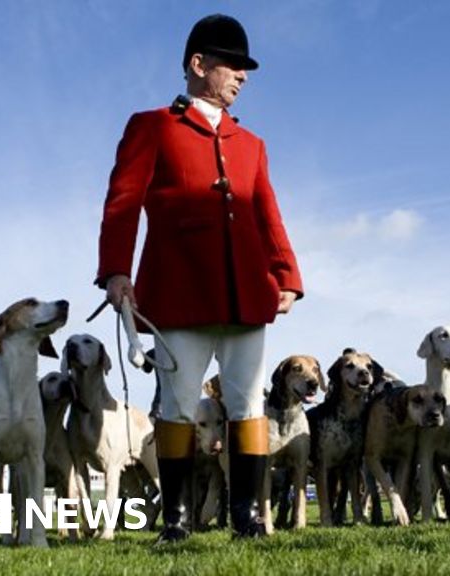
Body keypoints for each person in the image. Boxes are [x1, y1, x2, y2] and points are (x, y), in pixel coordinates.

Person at [96, 13, 303, 542]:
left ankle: (247, 517)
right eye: (232, 65)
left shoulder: (251, 143)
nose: (242, 76)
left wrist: (286, 274)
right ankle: (177, 520)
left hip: (245, 291)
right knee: (179, 405)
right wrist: (116, 270)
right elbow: (123, 203)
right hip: (179, 289)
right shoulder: (151, 126)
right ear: (198, 64)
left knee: (248, 405)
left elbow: (267, 213)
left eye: (244, 68)